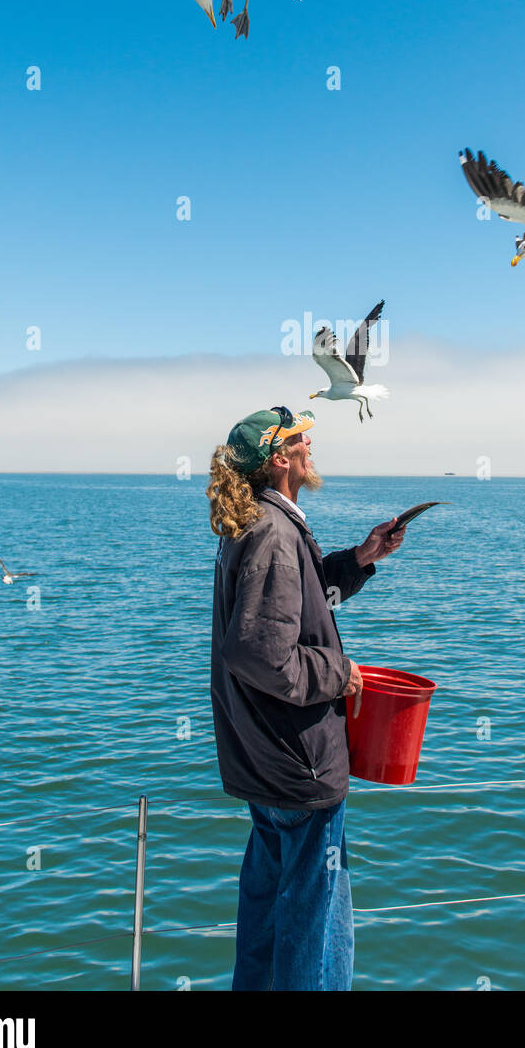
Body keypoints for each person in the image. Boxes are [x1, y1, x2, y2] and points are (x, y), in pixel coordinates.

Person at [206, 405, 406, 990]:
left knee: (271, 916)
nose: (310, 448)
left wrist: (361, 560)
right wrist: (337, 673)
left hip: (266, 760)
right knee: (316, 928)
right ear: (278, 458)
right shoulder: (272, 533)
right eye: (301, 441)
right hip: (300, 763)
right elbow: (260, 654)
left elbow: (306, 601)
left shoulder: (263, 523)